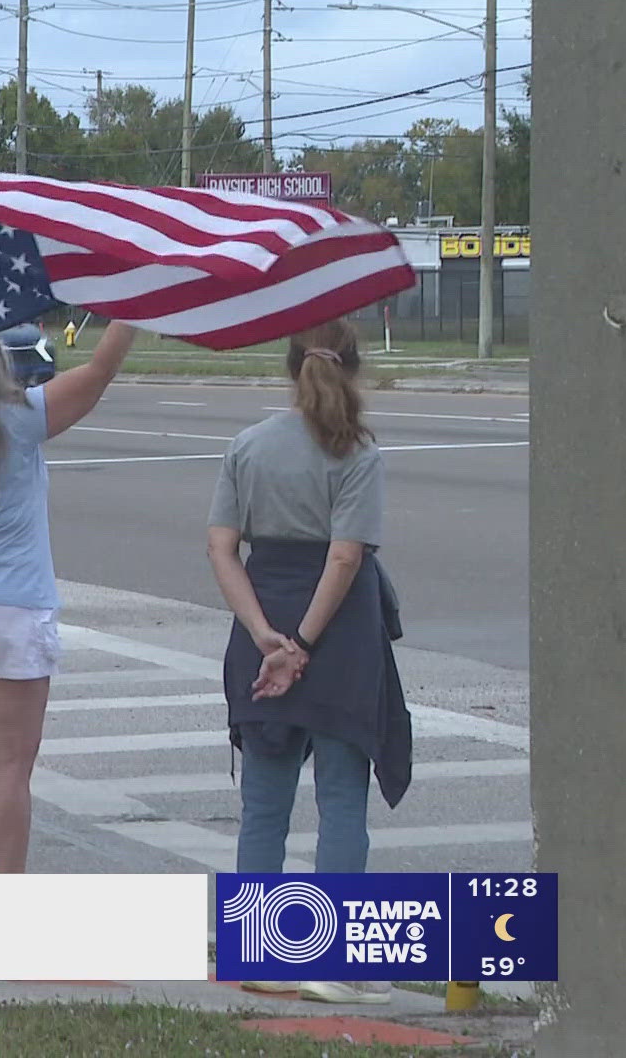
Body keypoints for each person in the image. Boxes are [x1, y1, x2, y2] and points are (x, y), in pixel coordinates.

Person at [206, 318, 410, 1006]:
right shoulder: (357, 452)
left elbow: (221, 548)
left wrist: (267, 636)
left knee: (263, 804)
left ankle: (259, 955)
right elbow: (346, 557)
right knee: (342, 800)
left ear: (290, 368)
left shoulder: (248, 445)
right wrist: (305, 644)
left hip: (261, 620)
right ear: (351, 368)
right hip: (340, 636)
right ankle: (338, 964)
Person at [0, 319, 137, 872]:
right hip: (16, 607)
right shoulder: (17, 419)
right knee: (10, 768)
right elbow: (100, 371)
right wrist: (133, 309)